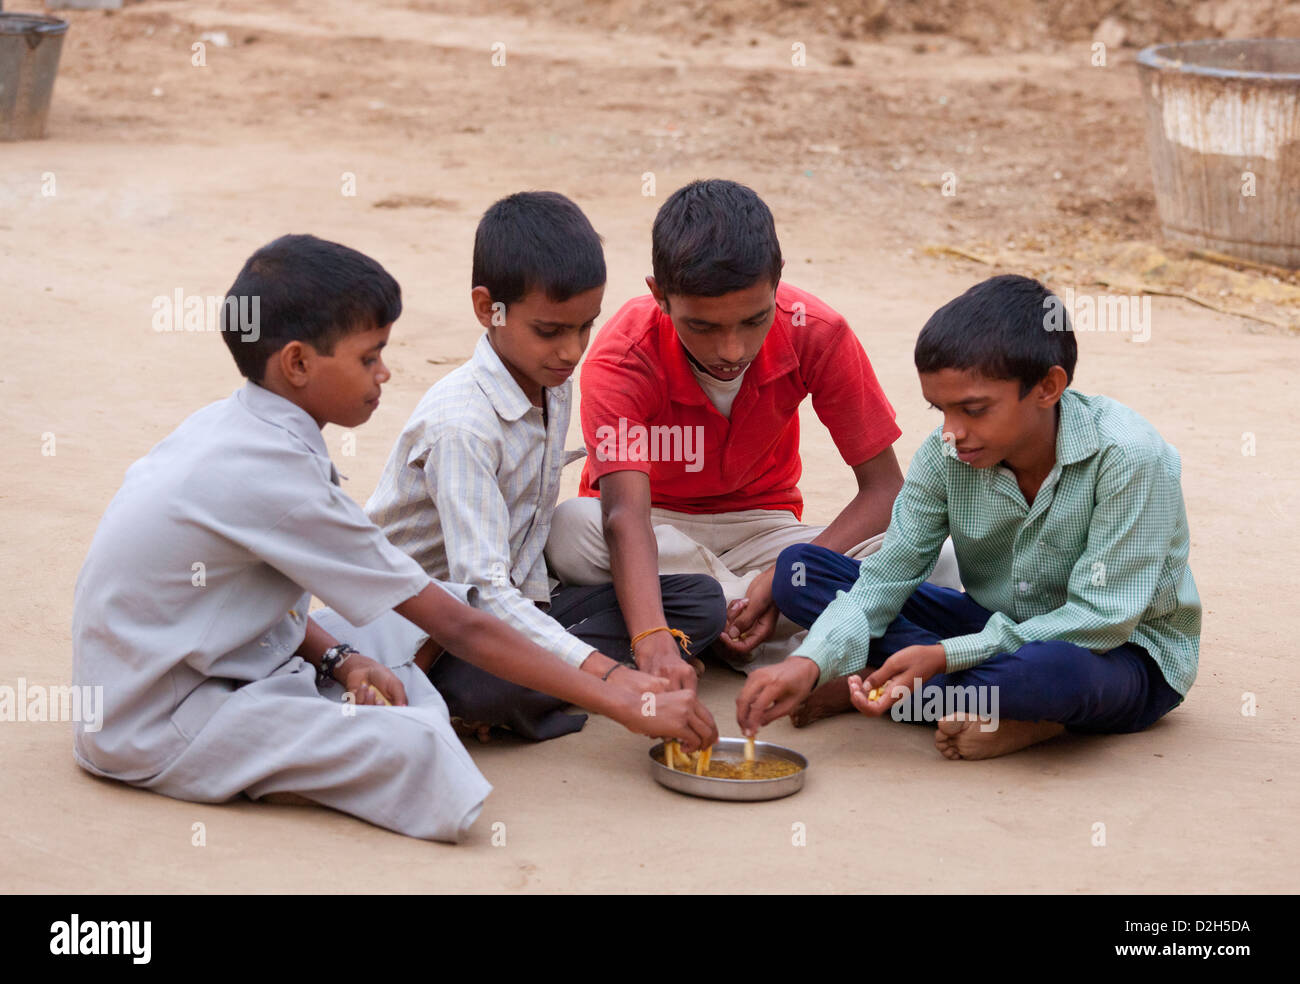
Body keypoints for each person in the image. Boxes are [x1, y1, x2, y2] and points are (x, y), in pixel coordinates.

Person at [71, 234, 717, 844]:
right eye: (368, 357)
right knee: (419, 744)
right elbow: (461, 626)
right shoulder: (269, 473)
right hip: (155, 720)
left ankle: (347, 704)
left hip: (211, 666)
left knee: (394, 657)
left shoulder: (238, 427)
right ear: (297, 363)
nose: (384, 373)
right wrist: (620, 695)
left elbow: (257, 602)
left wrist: (339, 660)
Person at [738, 274, 1199, 759]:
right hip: (995, 623)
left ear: (1048, 386)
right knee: (800, 572)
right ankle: (965, 700)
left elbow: (1101, 619)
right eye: (941, 409)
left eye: (974, 410)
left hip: (1118, 652)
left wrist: (944, 655)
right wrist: (810, 662)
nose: (953, 432)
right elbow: (884, 579)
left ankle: (997, 708)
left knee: (1055, 674)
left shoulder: (1128, 457)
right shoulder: (945, 456)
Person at [545, 178, 959, 688]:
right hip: (653, 528)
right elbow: (624, 516)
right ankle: (790, 629)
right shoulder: (624, 354)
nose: (732, 350)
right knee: (569, 531)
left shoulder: (818, 330)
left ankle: (717, 618)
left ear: (778, 279)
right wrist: (654, 638)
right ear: (661, 297)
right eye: (703, 327)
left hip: (769, 534)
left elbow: (884, 490)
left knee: (945, 555)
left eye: (754, 319)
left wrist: (783, 576)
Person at [363, 191, 725, 741]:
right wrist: (608, 677)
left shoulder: (548, 382)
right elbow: (478, 594)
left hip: (512, 601)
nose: (572, 351)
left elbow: (519, 568)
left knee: (697, 601)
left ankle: (537, 694)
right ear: (489, 309)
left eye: (585, 327)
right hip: (430, 633)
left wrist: (602, 648)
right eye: (550, 331)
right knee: (490, 685)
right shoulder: (461, 427)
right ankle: (502, 699)